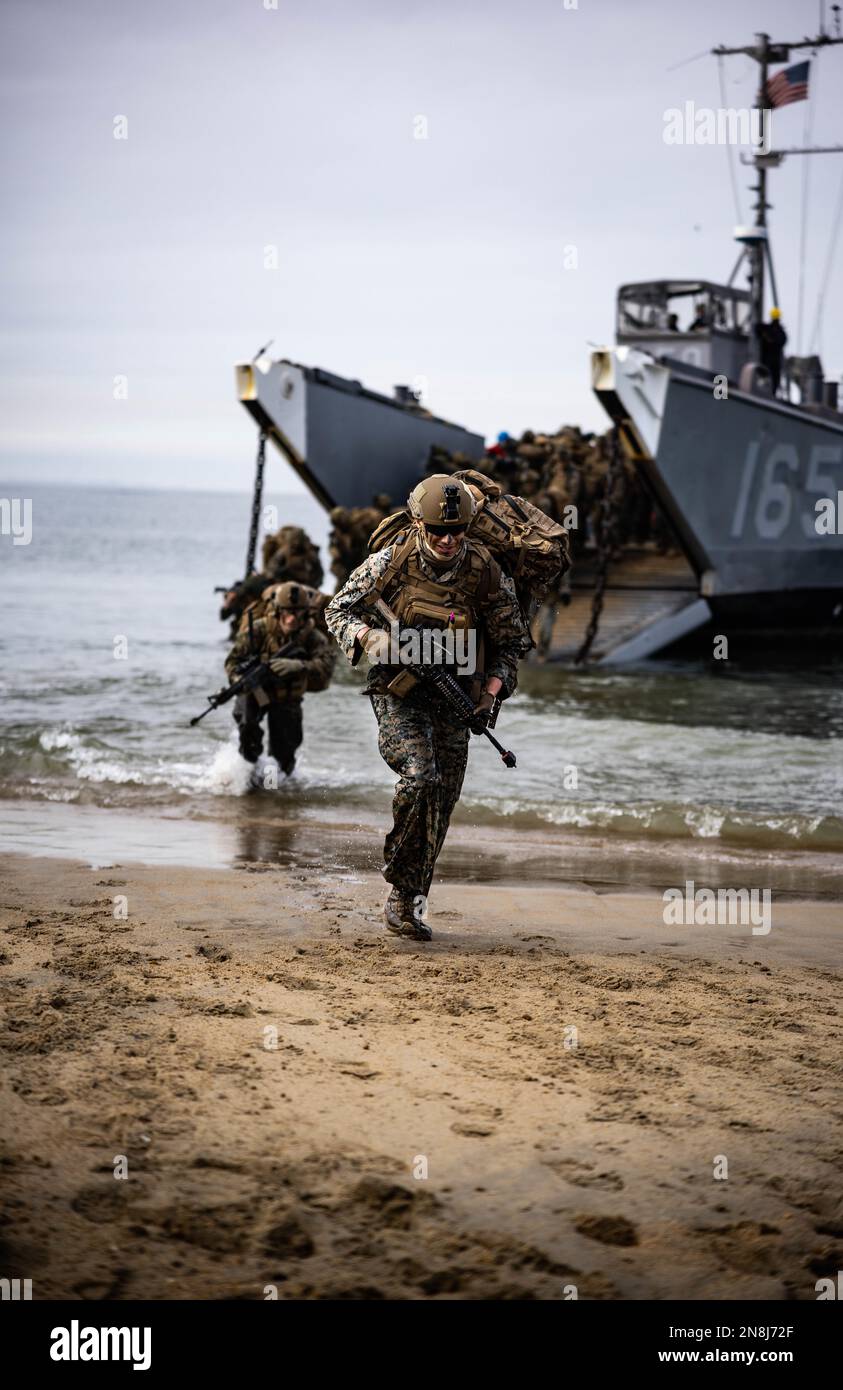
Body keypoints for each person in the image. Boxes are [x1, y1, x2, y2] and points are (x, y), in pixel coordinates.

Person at [325, 475, 528, 942]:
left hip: (460, 699)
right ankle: (398, 881)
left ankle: (409, 905)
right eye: (437, 529)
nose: (446, 540)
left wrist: (491, 692)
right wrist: (371, 638)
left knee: (440, 804)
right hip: (400, 692)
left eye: (456, 531)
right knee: (421, 776)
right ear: (418, 522)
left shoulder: (485, 571)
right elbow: (337, 611)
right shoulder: (389, 562)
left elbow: (512, 643)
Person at [224, 581, 335, 777]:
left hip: (287, 697)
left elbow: (326, 666)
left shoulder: (312, 637)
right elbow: (232, 661)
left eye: (297, 613)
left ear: (305, 613)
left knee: (283, 754)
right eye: (286, 613)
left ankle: (279, 795)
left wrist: (300, 666)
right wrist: (238, 678)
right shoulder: (258, 630)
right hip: (255, 693)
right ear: (276, 611)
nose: (292, 619)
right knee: (247, 736)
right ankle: (249, 780)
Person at [757, 307, 788, 394]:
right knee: (772, 380)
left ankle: (768, 392)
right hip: (772, 362)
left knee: (767, 378)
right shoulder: (779, 332)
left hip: (768, 361)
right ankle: (770, 393)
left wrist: (768, 338)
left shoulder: (768, 329)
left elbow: (758, 329)